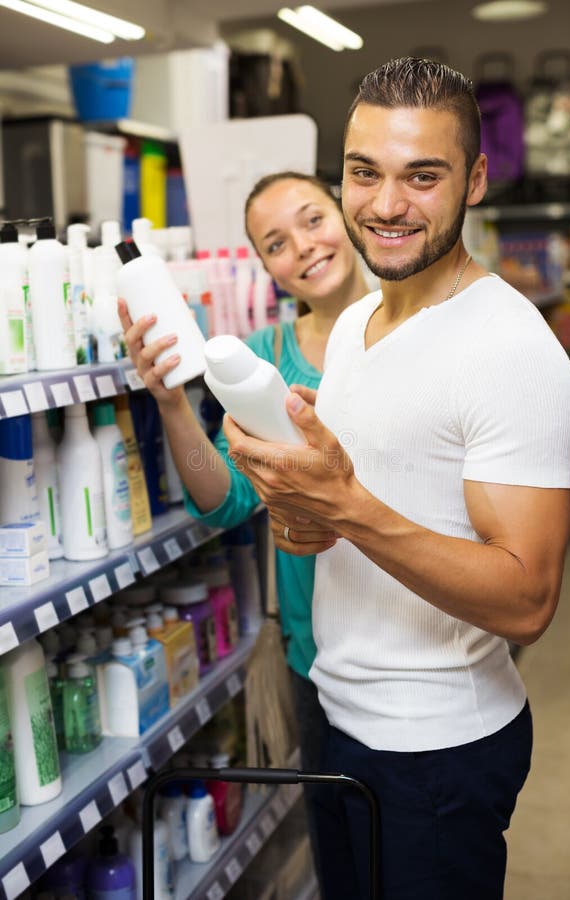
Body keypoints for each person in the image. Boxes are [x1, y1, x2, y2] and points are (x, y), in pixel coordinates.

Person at [222, 58, 570, 899]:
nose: (385, 205)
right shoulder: (351, 328)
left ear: (477, 179)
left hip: (438, 752)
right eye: (364, 172)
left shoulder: (508, 349)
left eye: (423, 175)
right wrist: (302, 515)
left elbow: (528, 598)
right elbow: (358, 519)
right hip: (342, 719)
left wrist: (345, 506)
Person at [118, 170, 369, 883]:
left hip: (418, 641)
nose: (305, 246)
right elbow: (225, 498)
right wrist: (170, 402)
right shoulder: (264, 355)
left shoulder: (410, 329)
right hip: (316, 653)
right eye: (277, 242)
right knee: (344, 856)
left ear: (346, 214)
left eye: (313, 218)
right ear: (267, 267)